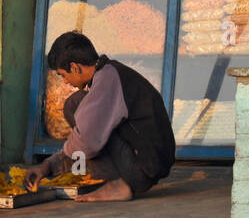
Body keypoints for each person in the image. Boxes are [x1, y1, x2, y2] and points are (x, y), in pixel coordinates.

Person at [24, 32, 175, 202]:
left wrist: (50, 165)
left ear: (75, 67)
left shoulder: (108, 80)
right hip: (146, 159)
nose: (65, 82)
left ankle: (123, 184)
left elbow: (86, 142)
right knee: (74, 103)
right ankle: (110, 176)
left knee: (84, 120)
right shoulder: (108, 72)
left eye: (64, 75)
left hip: (145, 166)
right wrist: (48, 167)